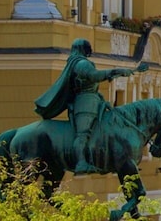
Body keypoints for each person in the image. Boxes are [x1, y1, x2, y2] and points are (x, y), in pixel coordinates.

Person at [34, 38, 147, 173]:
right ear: (83, 49)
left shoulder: (81, 63)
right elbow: (94, 76)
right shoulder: (81, 63)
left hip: (94, 100)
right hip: (85, 103)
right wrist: (116, 71)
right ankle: (81, 163)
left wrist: (118, 73)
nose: (89, 51)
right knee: (83, 134)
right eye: (88, 49)